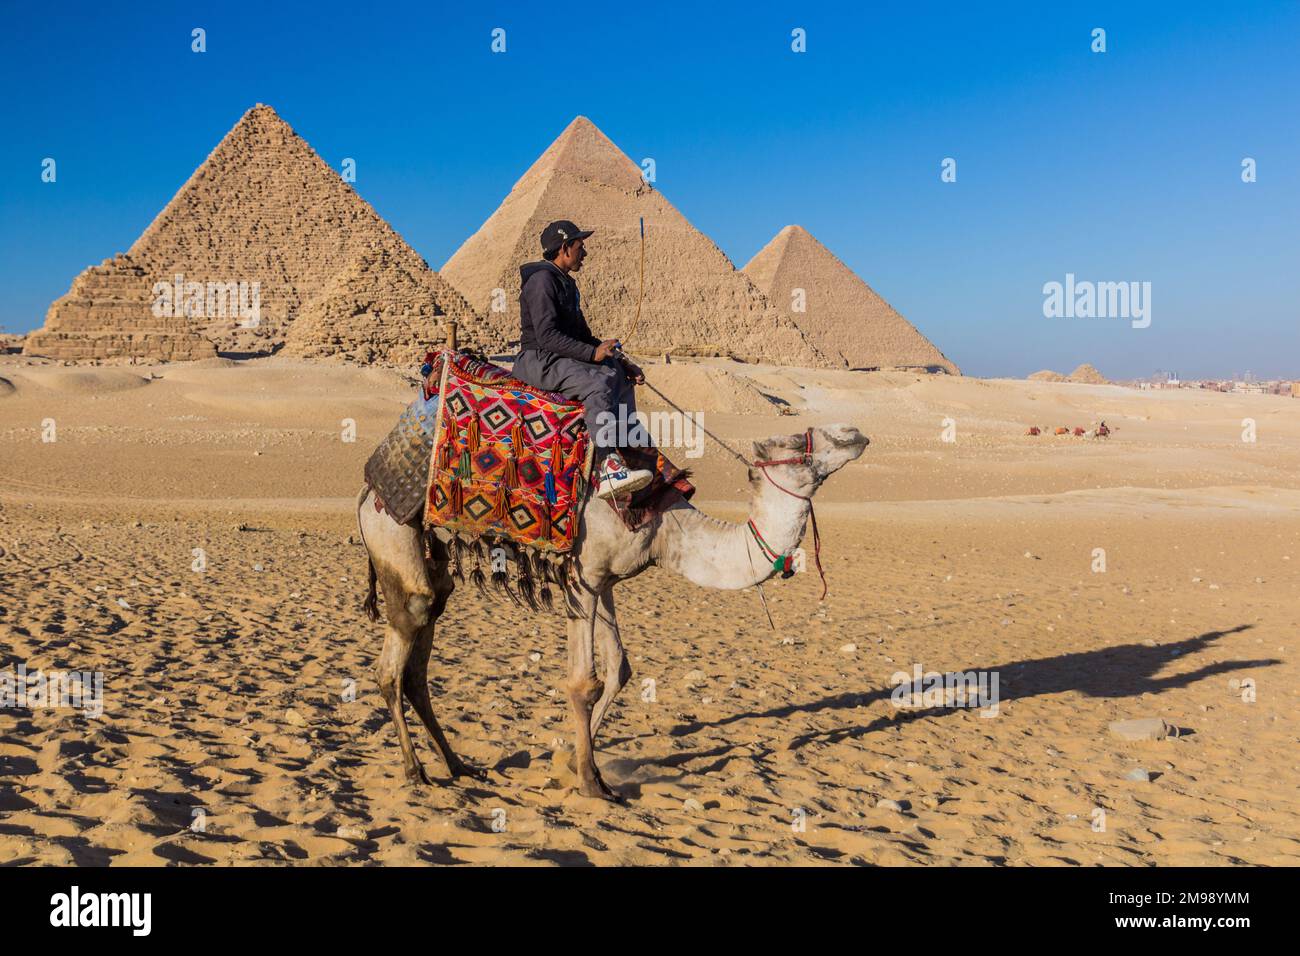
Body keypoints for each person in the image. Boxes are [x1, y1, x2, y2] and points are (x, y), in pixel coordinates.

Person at [511, 220, 654, 499]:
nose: (584, 253)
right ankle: (608, 465)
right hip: (538, 359)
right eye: (580, 247)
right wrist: (592, 354)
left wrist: (620, 361)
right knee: (596, 383)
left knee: (616, 374)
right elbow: (547, 336)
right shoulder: (542, 281)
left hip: (558, 355)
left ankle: (627, 444)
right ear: (565, 249)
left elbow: (584, 335)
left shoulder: (566, 284)